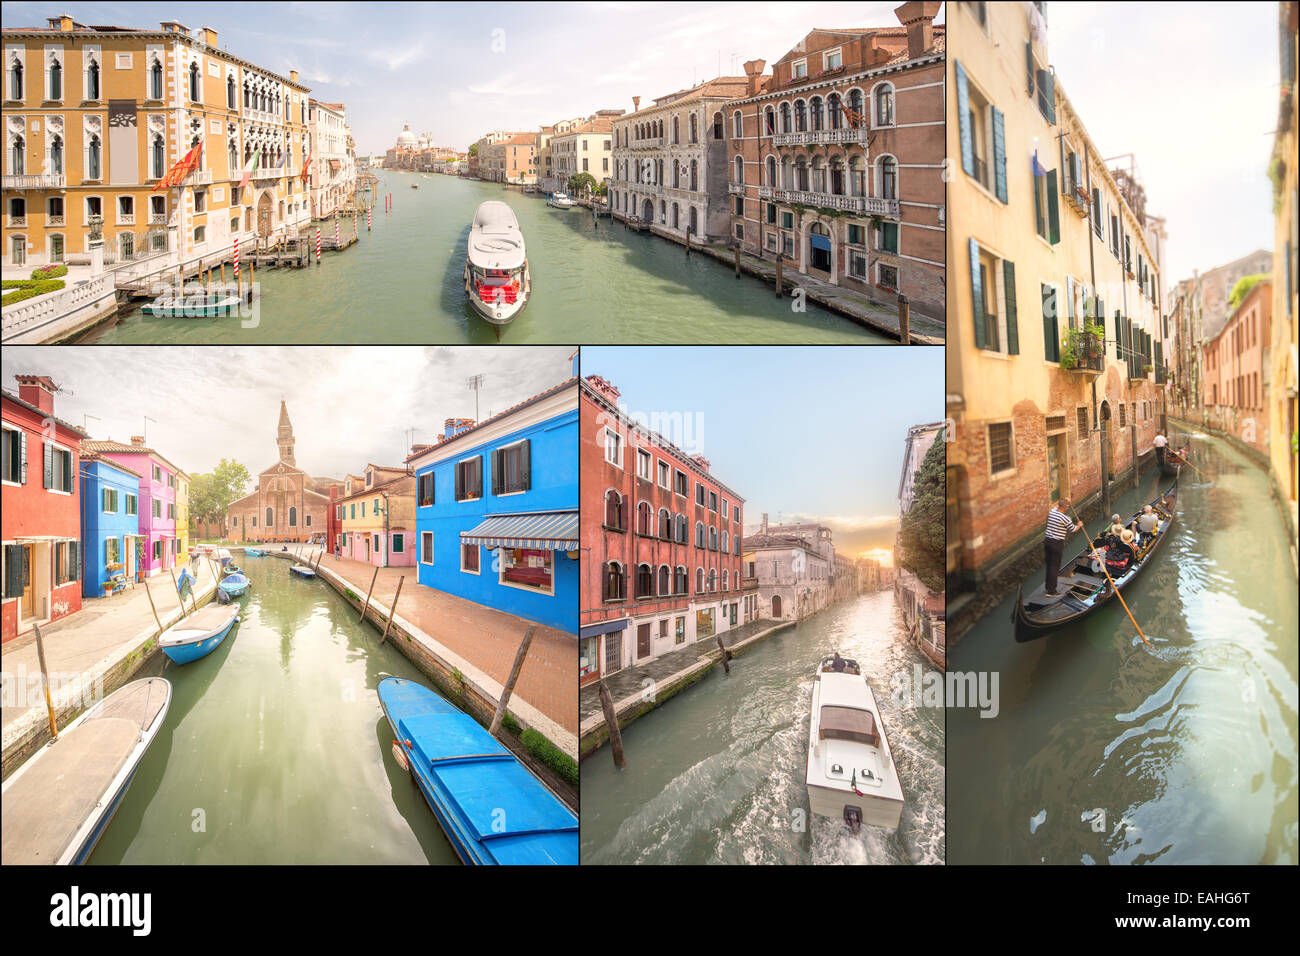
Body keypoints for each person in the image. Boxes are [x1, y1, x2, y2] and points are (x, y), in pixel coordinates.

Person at [1044, 498, 1084, 596]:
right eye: (1067, 507)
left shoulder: (1052, 512)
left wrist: (1066, 500)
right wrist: (1079, 525)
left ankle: (1048, 586)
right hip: (1056, 544)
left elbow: (1056, 506)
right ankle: (1051, 591)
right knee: (1054, 566)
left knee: (1049, 565)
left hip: (1047, 542)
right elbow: (1073, 529)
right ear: (1065, 507)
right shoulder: (1065, 519)